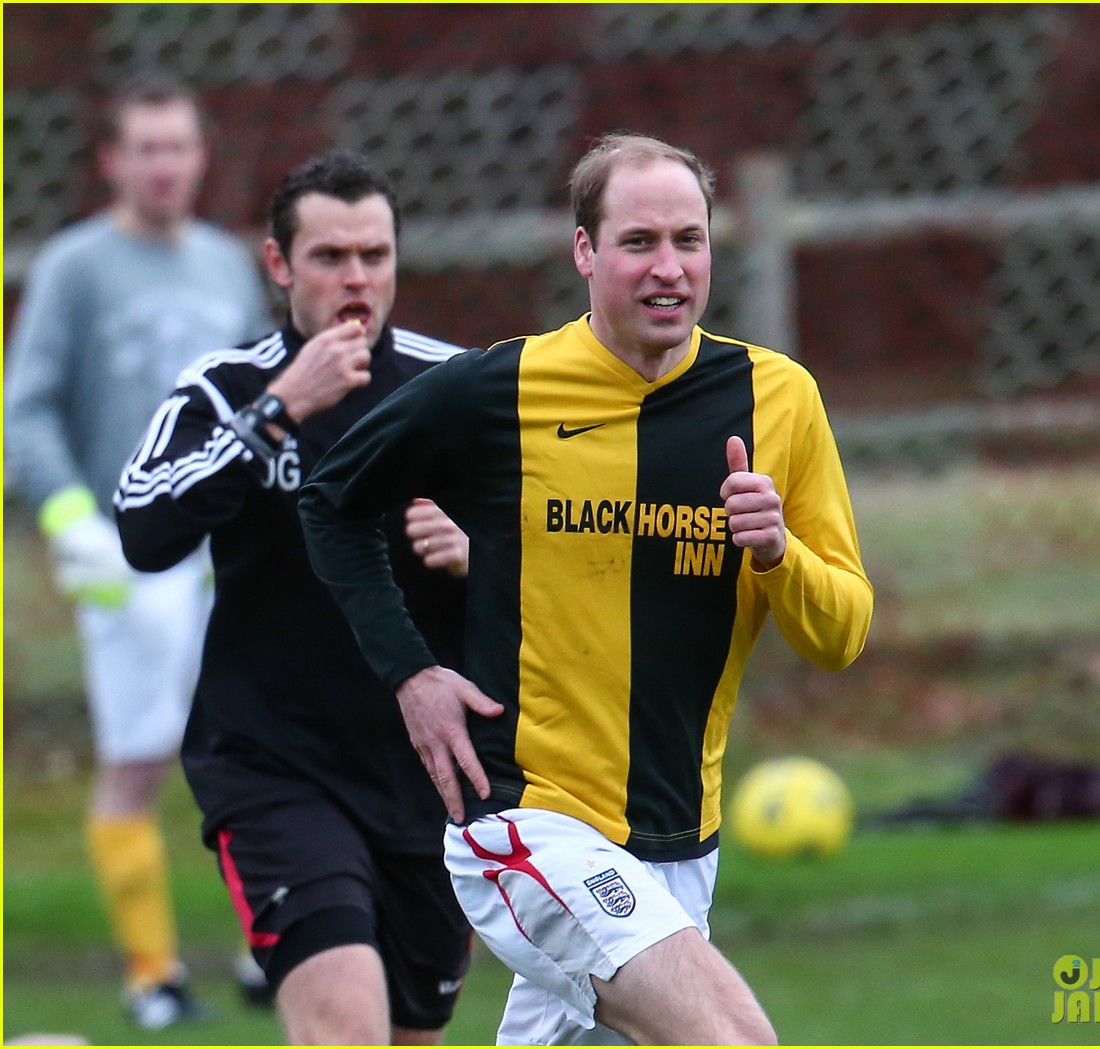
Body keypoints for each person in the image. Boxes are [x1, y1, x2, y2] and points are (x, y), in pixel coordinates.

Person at [299, 132, 875, 1045]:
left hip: (681, 844)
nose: (668, 268)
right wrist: (412, 674)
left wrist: (777, 555)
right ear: (584, 251)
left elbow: (841, 634)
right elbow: (331, 501)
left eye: (689, 240)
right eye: (638, 241)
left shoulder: (780, 399)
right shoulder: (499, 389)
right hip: (526, 821)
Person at [113, 148, 474, 1046]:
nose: (357, 278)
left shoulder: (461, 389)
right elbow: (145, 526)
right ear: (279, 265)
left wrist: (482, 553)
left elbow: (564, 549)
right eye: (329, 257)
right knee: (345, 1021)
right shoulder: (227, 389)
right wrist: (279, 409)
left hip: (429, 776)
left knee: (409, 1033)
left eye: (375, 256)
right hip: (274, 767)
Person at [4, 71, 271, 1028]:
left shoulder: (227, 265)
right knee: (140, 757)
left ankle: (267, 944)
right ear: (113, 160)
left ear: (202, 155)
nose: (165, 166)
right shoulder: (77, 267)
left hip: (224, 554)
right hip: (123, 562)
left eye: (180, 146)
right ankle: (152, 971)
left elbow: (263, 399)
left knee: (253, 741)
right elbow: (24, 408)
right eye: (145, 148)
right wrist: (74, 520)